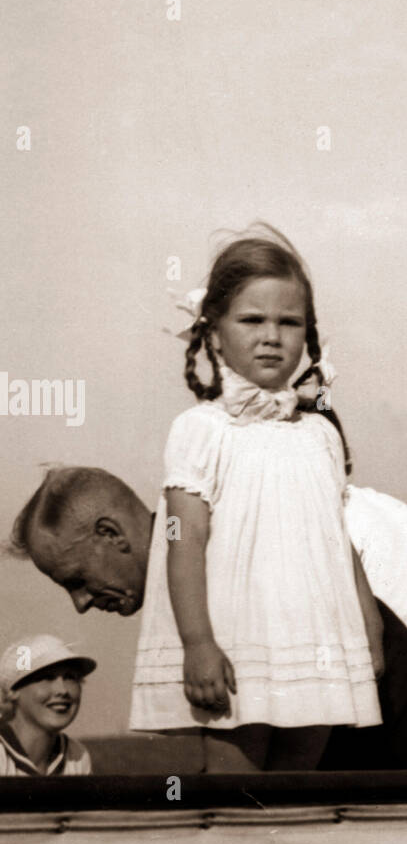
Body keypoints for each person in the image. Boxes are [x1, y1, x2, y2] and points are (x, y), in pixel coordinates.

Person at [8, 466, 407, 767]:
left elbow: (240, 773)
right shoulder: (374, 506)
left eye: (76, 579)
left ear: (111, 534)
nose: (81, 604)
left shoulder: (208, 561)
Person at [128, 228, 383, 771]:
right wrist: (198, 642)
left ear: (308, 336)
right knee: (236, 790)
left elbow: (339, 542)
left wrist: (369, 626)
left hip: (312, 644)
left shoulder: (320, 435)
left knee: (296, 793)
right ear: (214, 334)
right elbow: (183, 539)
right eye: (252, 320)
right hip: (233, 647)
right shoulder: (201, 428)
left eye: (288, 323)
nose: (271, 337)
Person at [0, 634, 96, 776]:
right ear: (13, 691)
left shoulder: (76, 756)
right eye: (47, 677)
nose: (62, 690)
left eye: (70, 677)